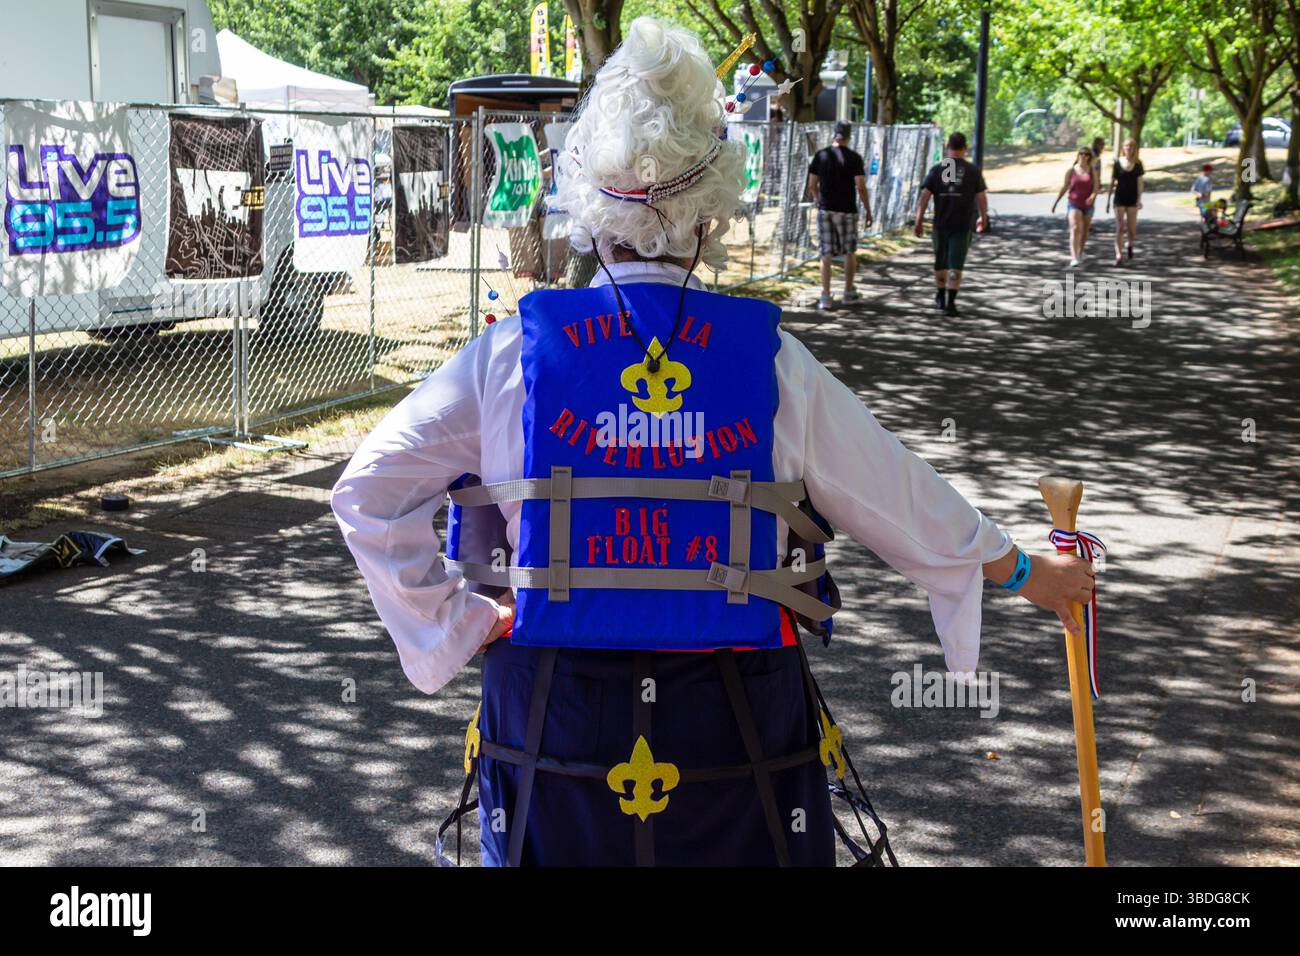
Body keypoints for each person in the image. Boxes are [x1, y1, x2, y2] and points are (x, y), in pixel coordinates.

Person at [331, 16, 1095, 868]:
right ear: (710, 215)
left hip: (554, 718)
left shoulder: (510, 352)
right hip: (735, 728)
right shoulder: (768, 357)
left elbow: (365, 492)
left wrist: (454, 624)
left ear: (586, 205)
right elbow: (899, 498)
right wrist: (1031, 573)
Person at [914, 131, 989, 317]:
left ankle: (940, 295)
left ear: (947, 148)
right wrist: (983, 217)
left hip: (940, 224)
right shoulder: (972, 171)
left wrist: (919, 219)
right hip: (962, 225)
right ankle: (950, 302)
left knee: (941, 261)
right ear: (965, 149)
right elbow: (981, 197)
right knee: (956, 263)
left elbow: (925, 196)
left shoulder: (937, 170)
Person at [807, 120, 873, 310]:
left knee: (825, 253)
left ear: (834, 135)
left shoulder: (821, 156)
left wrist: (819, 200)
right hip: (847, 210)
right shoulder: (854, 158)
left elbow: (812, 184)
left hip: (826, 209)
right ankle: (847, 292)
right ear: (849, 136)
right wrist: (868, 210)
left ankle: (825, 296)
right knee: (849, 251)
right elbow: (860, 186)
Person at [1051, 147, 1099, 267]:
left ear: (1089, 157)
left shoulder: (1092, 171)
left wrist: (1092, 197)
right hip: (1074, 203)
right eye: (1081, 154)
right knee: (1075, 228)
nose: (1083, 156)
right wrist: (1056, 202)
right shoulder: (1071, 171)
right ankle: (1074, 256)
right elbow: (1065, 187)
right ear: (1078, 155)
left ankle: (1080, 252)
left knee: (1085, 231)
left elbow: (1096, 188)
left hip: (1088, 205)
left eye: (1086, 154)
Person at [1106, 138, 1144, 265]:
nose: (1129, 148)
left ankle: (1130, 244)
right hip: (1119, 198)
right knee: (1120, 227)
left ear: (1134, 149)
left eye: (1132, 146)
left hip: (1132, 199)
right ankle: (1118, 254)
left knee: (1131, 229)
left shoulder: (1138, 164)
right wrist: (1108, 199)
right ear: (1123, 148)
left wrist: (1139, 199)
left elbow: (1140, 183)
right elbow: (1112, 182)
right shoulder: (1117, 163)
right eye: (1127, 146)